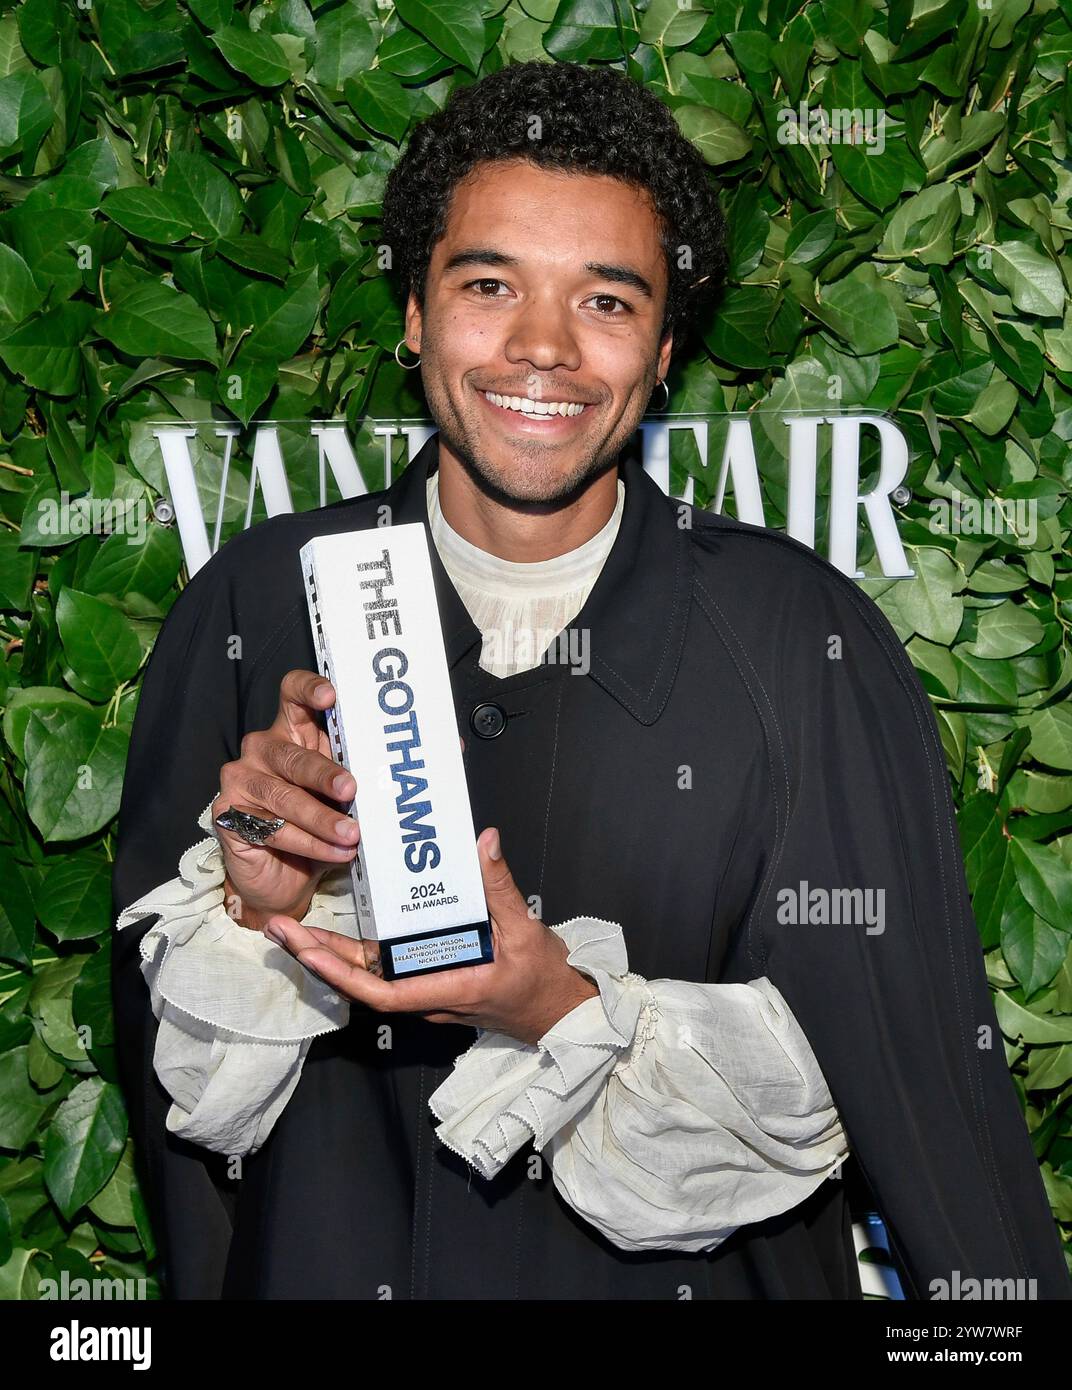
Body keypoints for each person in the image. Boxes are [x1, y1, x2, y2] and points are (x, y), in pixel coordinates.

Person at [111, 61, 1070, 1301]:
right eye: (489, 283)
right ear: (413, 312)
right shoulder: (255, 604)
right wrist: (256, 916)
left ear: (666, 347)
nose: (542, 348)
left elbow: (919, 1099)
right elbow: (182, 1129)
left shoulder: (797, 639)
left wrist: (558, 1007)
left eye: (606, 301)